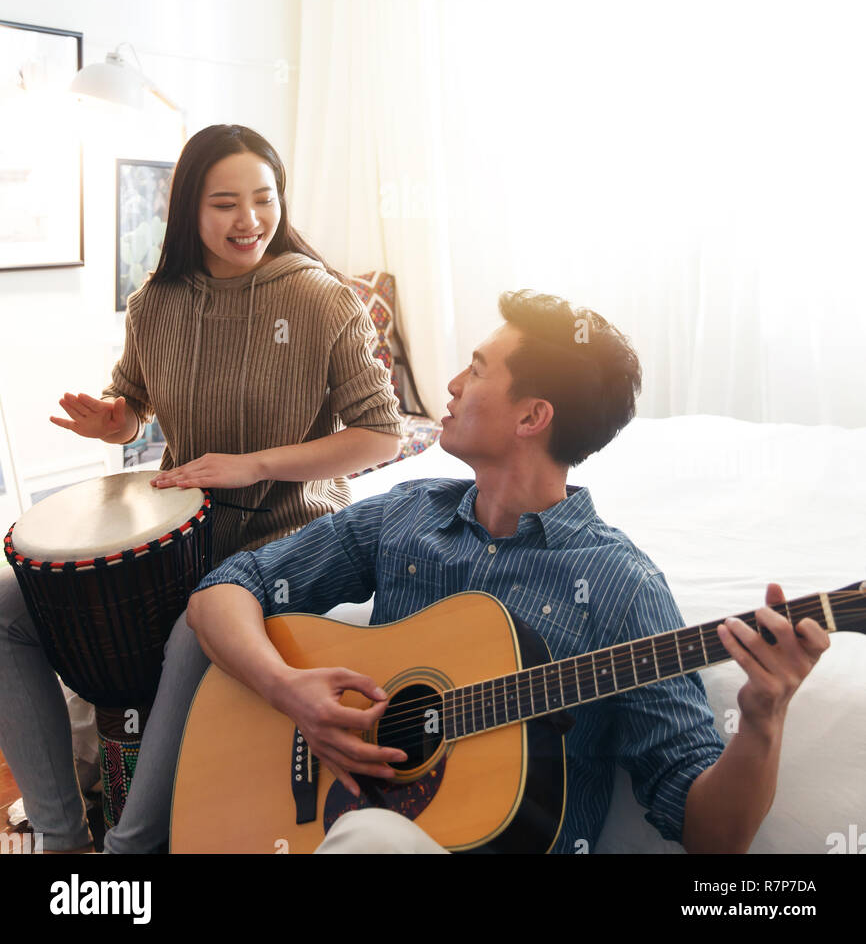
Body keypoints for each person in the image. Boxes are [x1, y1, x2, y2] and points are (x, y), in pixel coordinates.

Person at [187, 290, 830, 854]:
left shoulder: (620, 587)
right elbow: (224, 590)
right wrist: (285, 689)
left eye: (476, 370)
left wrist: (762, 720)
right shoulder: (407, 514)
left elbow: (713, 839)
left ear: (531, 417)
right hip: (349, 827)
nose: (452, 387)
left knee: (373, 841)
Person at [0, 124, 403, 854]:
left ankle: (131, 850)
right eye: (225, 204)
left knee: (199, 622)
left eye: (263, 198)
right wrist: (113, 424)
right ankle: (61, 839)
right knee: (3, 602)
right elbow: (134, 404)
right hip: (183, 531)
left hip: (292, 528)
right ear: (187, 210)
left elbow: (382, 435)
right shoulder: (154, 301)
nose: (248, 220)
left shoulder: (320, 298)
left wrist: (254, 464)